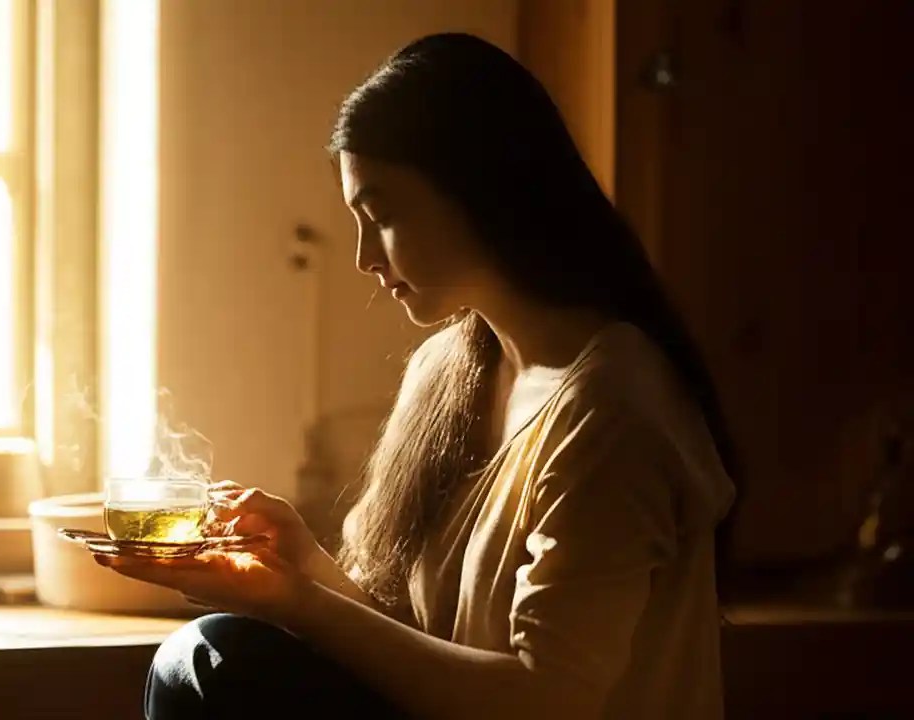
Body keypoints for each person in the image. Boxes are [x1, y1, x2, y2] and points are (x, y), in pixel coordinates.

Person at [98, 32, 739, 720]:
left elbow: (547, 700)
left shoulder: (611, 406)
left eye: (383, 215)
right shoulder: (450, 370)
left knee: (214, 658)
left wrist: (298, 601)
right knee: (201, 658)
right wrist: (302, 564)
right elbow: (417, 656)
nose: (364, 257)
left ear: (481, 192)